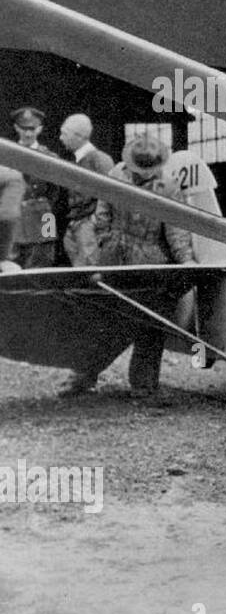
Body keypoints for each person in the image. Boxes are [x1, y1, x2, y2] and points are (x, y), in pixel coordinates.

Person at [61, 136, 196, 398]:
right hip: (116, 260)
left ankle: (143, 387)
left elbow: (177, 230)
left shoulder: (168, 187)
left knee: (152, 325)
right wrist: (106, 243)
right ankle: (82, 378)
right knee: (108, 323)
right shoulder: (114, 176)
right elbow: (101, 215)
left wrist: (186, 262)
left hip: (152, 265)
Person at [58, 113, 115, 266]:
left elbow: (111, 195)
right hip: (76, 225)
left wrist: (94, 223)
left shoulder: (100, 160)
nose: (60, 138)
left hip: (89, 228)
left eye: (64, 134)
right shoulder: (77, 159)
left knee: (90, 273)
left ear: (79, 136)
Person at [9, 106, 59, 268]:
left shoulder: (49, 158)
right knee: (11, 266)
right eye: (24, 129)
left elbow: (55, 193)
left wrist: (42, 206)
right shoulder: (6, 156)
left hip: (44, 214)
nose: (28, 134)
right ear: (16, 128)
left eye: (32, 129)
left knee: (43, 260)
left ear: (40, 129)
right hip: (13, 215)